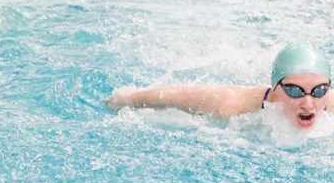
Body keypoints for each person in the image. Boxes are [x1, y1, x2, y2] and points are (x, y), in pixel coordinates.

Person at [106, 42, 331, 132]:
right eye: (294, 90)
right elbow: (176, 96)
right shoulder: (231, 104)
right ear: (275, 89)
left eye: (319, 90)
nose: (308, 103)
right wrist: (127, 99)